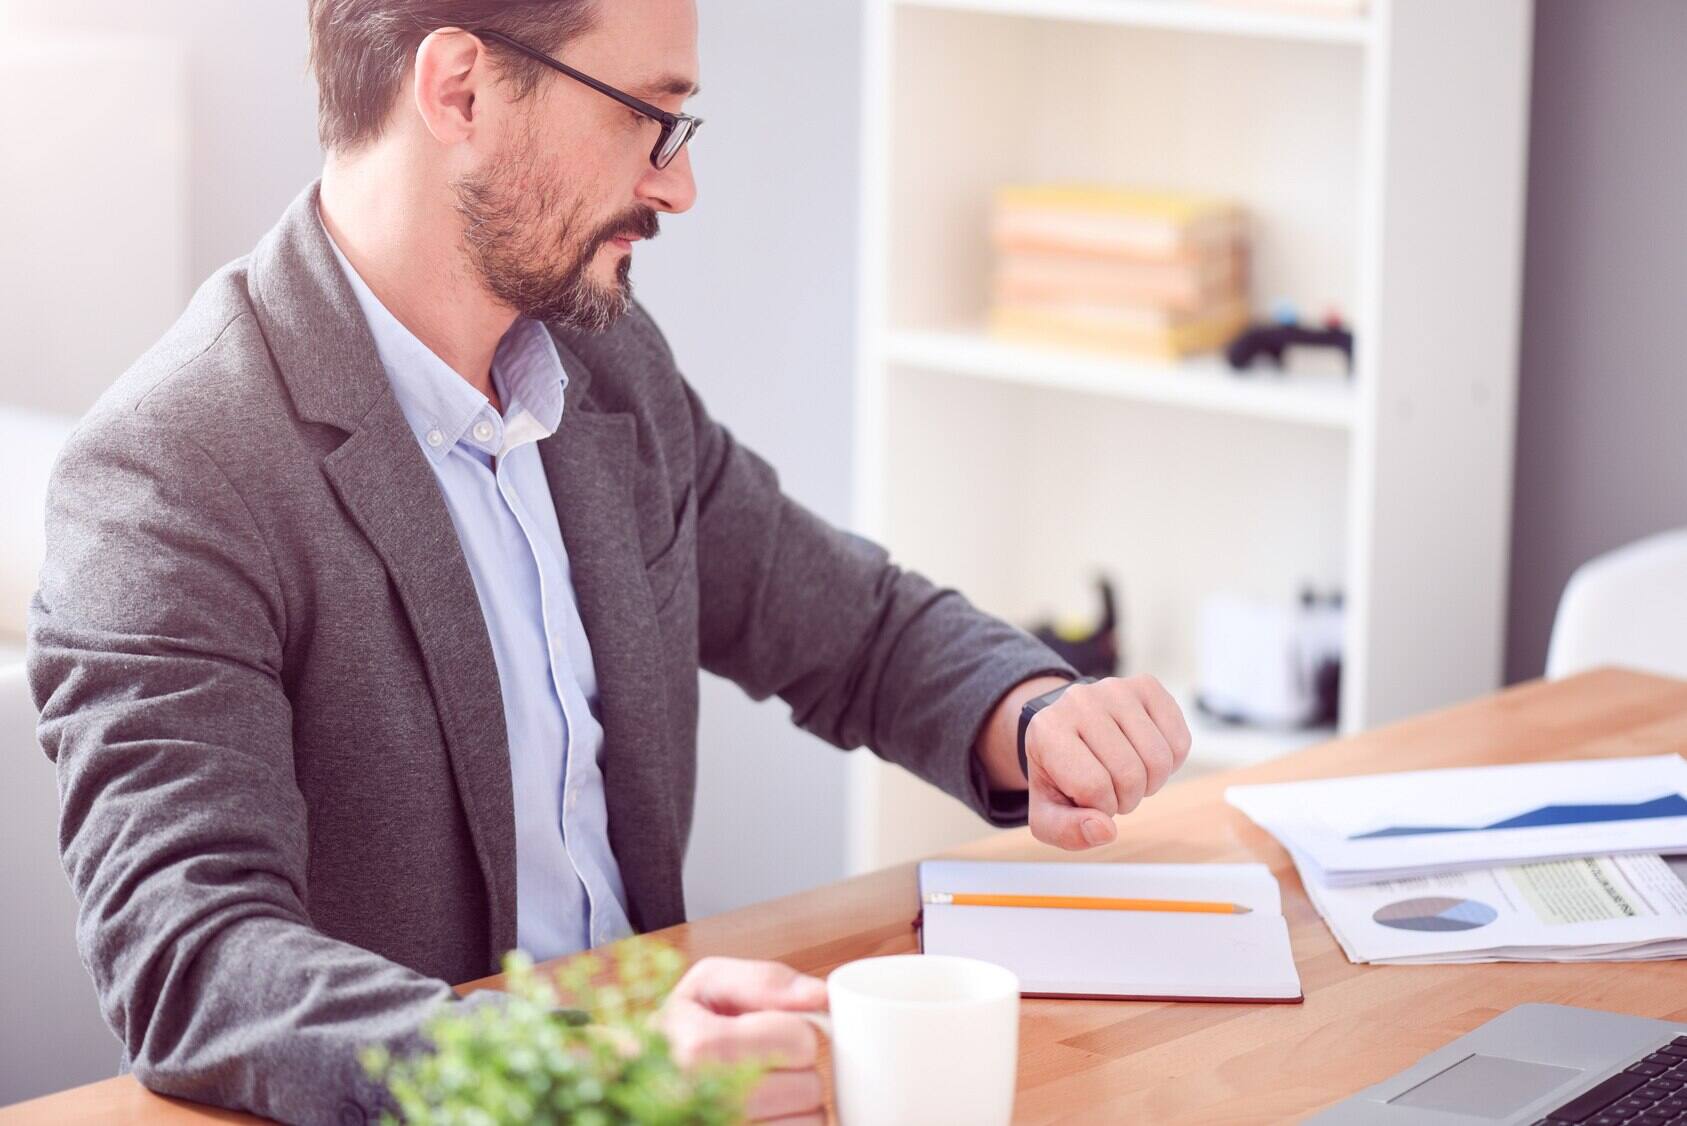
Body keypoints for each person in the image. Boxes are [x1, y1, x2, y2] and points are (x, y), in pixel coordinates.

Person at [26, 1, 1192, 1122]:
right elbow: (194, 962)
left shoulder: (602, 366)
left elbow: (848, 625)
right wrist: (584, 1073)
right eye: (645, 115)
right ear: (460, 89)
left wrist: (1027, 712)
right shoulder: (168, 472)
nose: (678, 186)